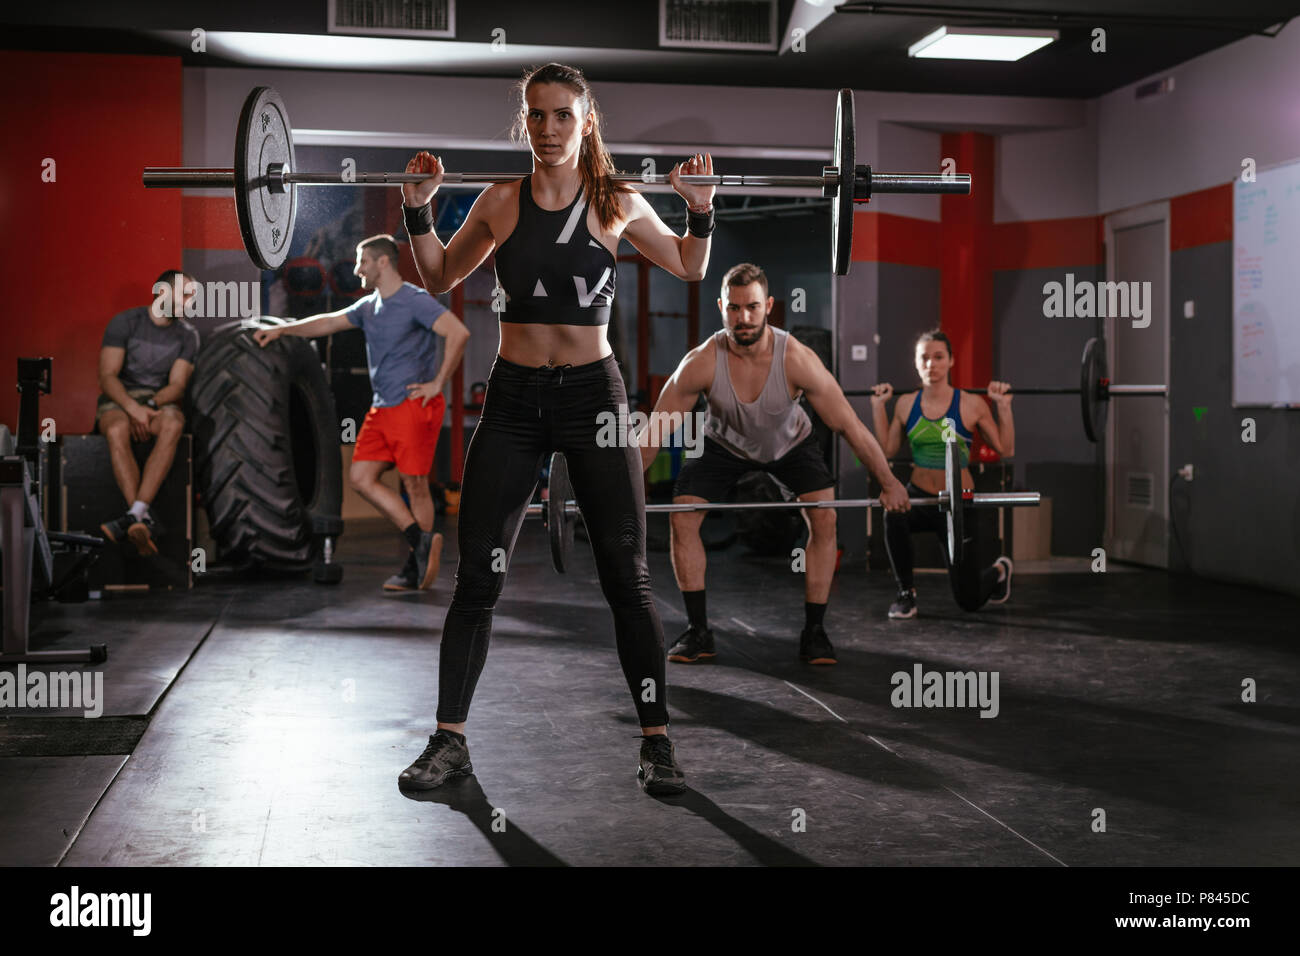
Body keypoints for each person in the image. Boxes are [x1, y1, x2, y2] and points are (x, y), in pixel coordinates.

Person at [395, 62, 714, 797]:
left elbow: (691, 266)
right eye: (535, 116)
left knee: (627, 578)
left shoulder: (619, 202)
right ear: (524, 123)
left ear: (586, 120)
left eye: (561, 115)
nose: (547, 129)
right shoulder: (501, 202)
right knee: (478, 576)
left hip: (593, 402)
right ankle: (450, 743)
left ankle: (657, 743)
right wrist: (419, 211)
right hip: (512, 401)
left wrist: (699, 209)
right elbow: (440, 274)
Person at [638, 262, 911, 666]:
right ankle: (699, 631)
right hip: (723, 444)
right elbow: (654, 434)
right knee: (683, 516)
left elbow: (849, 427)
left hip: (792, 445)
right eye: (733, 308)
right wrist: (619, 492)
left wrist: (889, 483)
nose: (743, 317)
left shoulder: (797, 359)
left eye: (751, 307)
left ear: (768, 306)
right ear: (721, 307)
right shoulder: (700, 362)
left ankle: (814, 632)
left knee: (825, 518)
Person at [254, 235, 470, 591]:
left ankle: (416, 564)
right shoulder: (368, 306)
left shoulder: (415, 301)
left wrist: (437, 384)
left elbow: (457, 333)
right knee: (361, 478)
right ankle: (420, 540)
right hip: (382, 407)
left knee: (415, 484)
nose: (357, 270)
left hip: (414, 404)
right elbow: (326, 323)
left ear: (382, 263)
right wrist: (280, 330)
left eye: (362, 262)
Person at [869, 329, 1015, 618]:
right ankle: (905, 593)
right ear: (915, 362)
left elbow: (1005, 449)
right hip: (920, 498)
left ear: (951, 361)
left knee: (969, 601)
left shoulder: (971, 404)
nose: (931, 365)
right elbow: (887, 450)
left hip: (958, 502)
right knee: (893, 513)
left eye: (938, 357)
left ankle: (1000, 571)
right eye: (924, 358)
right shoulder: (906, 404)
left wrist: (1003, 407)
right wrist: (877, 408)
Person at [97, 270, 201, 555]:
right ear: (162, 293)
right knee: (117, 428)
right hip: (119, 402)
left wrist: (150, 408)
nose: (190, 302)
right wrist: (133, 410)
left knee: (173, 424)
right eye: (185, 295)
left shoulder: (188, 335)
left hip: (156, 403)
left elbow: (177, 386)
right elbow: (107, 377)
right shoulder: (125, 323)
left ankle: (134, 515)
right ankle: (139, 517)